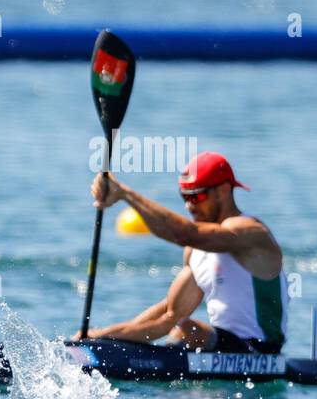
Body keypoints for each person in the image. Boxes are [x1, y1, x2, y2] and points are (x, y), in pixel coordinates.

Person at [80, 151, 289, 353]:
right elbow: (169, 316)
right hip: (221, 345)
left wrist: (125, 193)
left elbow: (184, 234)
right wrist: (100, 336)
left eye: (197, 197)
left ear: (224, 190)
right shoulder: (194, 251)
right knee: (180, 327)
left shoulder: (250, 233)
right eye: (184, 197)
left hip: (261, 351)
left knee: (186, 330)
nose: (189, 206)